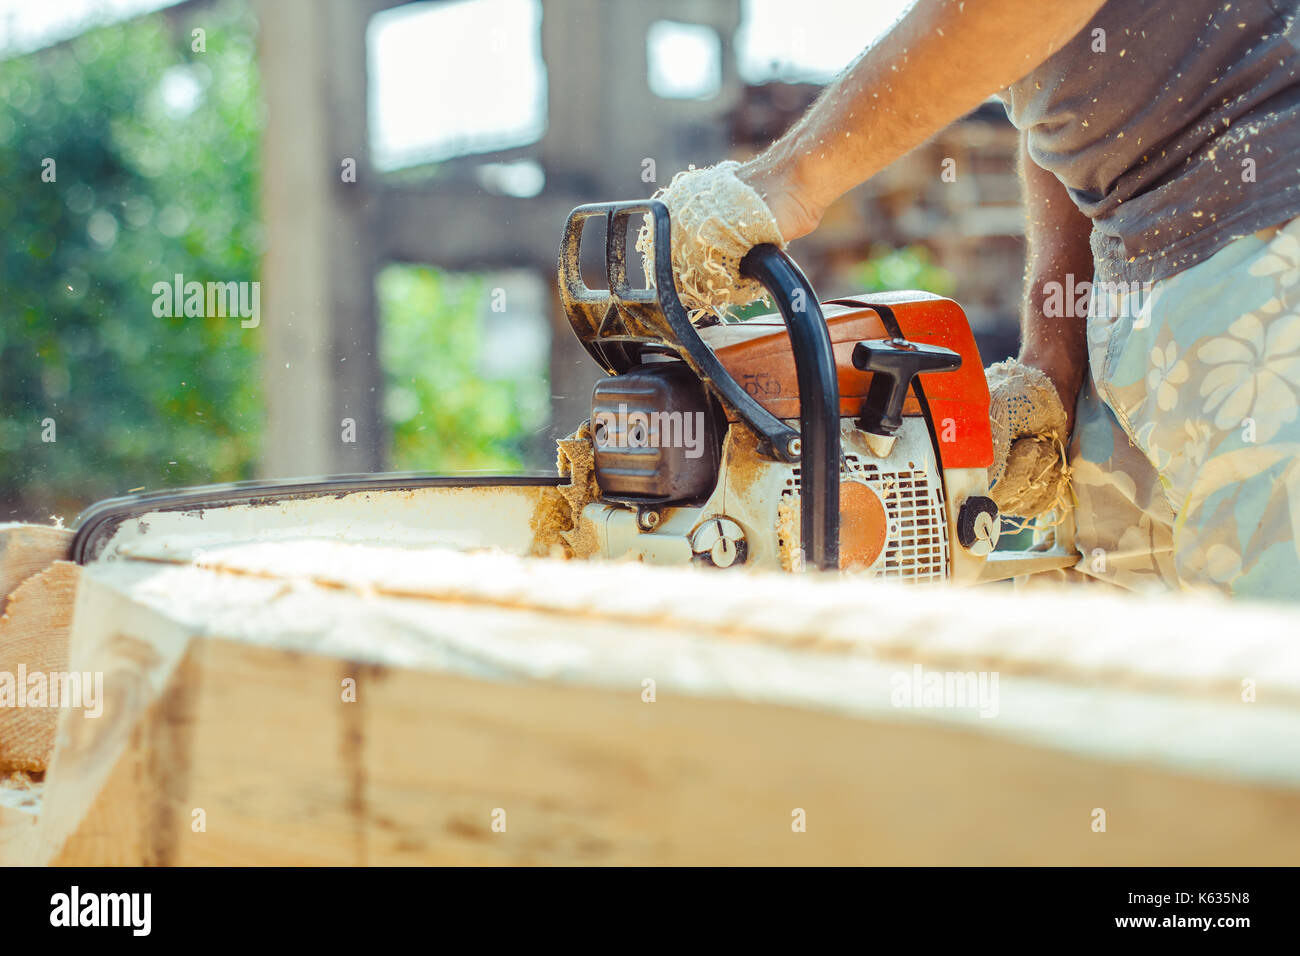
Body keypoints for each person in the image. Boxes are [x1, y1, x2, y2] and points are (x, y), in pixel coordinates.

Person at [657, 0, 1300, 600]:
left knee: (1261, 677)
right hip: (1129, 290)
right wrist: (1054, 357)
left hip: (1269, 261)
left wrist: (790, 179)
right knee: (1096, 676)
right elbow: (1036, 72)